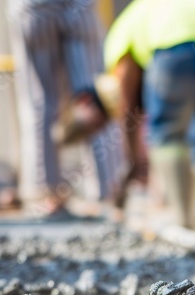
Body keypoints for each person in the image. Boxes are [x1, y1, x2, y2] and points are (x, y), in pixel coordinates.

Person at [102, 0, 195, 233]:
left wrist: (131, 160)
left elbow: (126, 104)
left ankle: (184, 223)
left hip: (176, 45)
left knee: (168, 133)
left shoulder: (126, 25)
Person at [7, 0, 123, 218]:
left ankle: (44, 194)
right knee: (92, 96)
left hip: (35, 7)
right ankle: (106, 192)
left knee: (40, 100)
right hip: (77, 6)